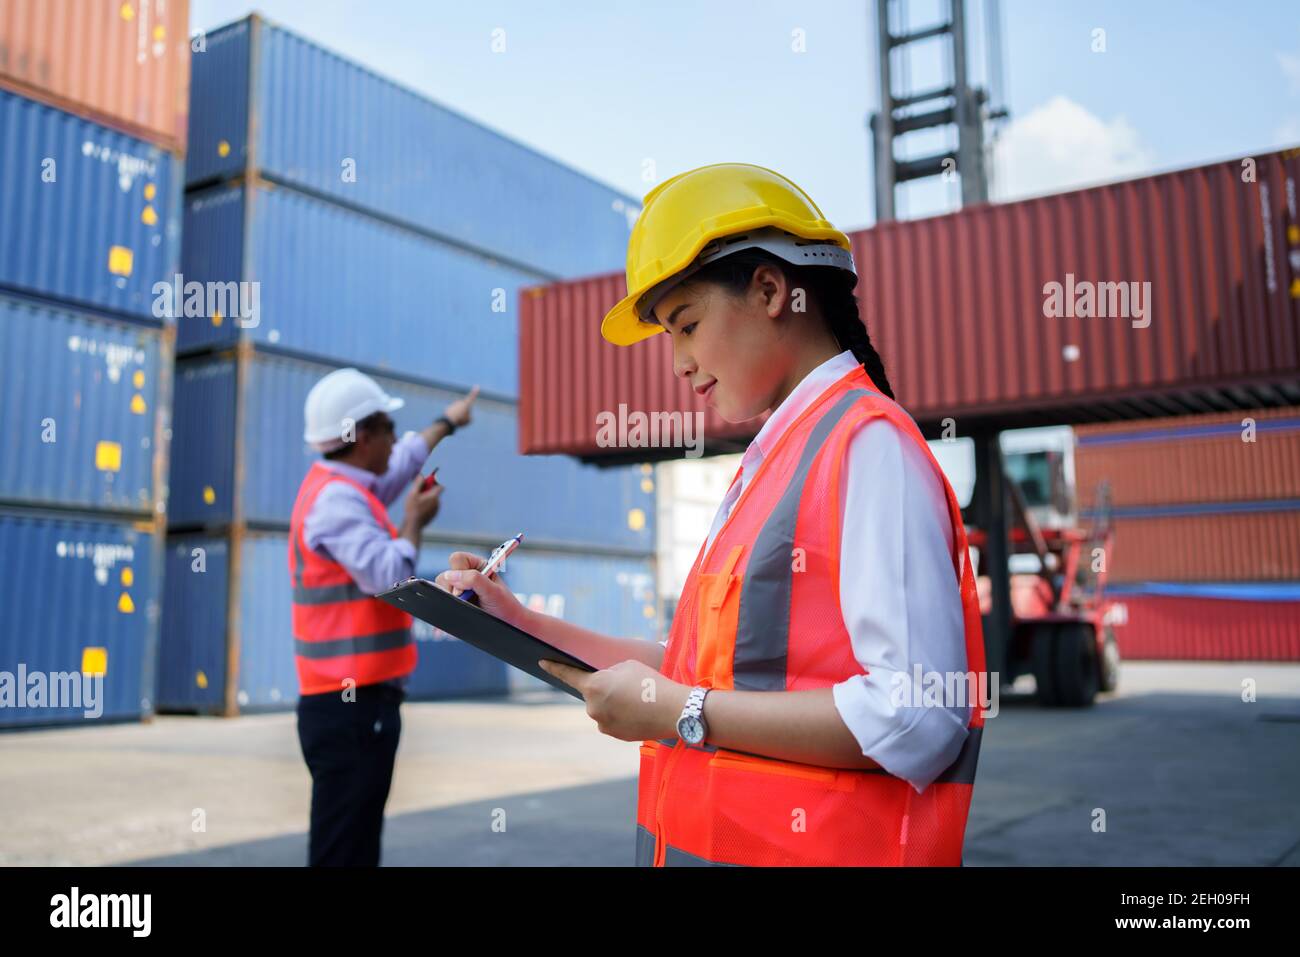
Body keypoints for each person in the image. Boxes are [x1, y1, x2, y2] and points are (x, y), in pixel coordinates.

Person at [434, 163, 986, 866]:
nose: (678, 362)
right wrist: (517, 621)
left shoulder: (867, 446)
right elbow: (693, 676)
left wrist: (682, 714)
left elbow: (916, 717)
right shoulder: (775, 462)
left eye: (685, 325)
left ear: (768, 290)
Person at [290, 367, 478, 866]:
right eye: (389, 431)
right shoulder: (338, 504)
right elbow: (389, 575)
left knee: (354, 840)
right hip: (349, 708)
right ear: (363, 437)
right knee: (344, 851)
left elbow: (405, 461)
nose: (398, 441)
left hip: (349, 705)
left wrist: (448, 421)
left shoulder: (346, 484)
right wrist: (414, 522)